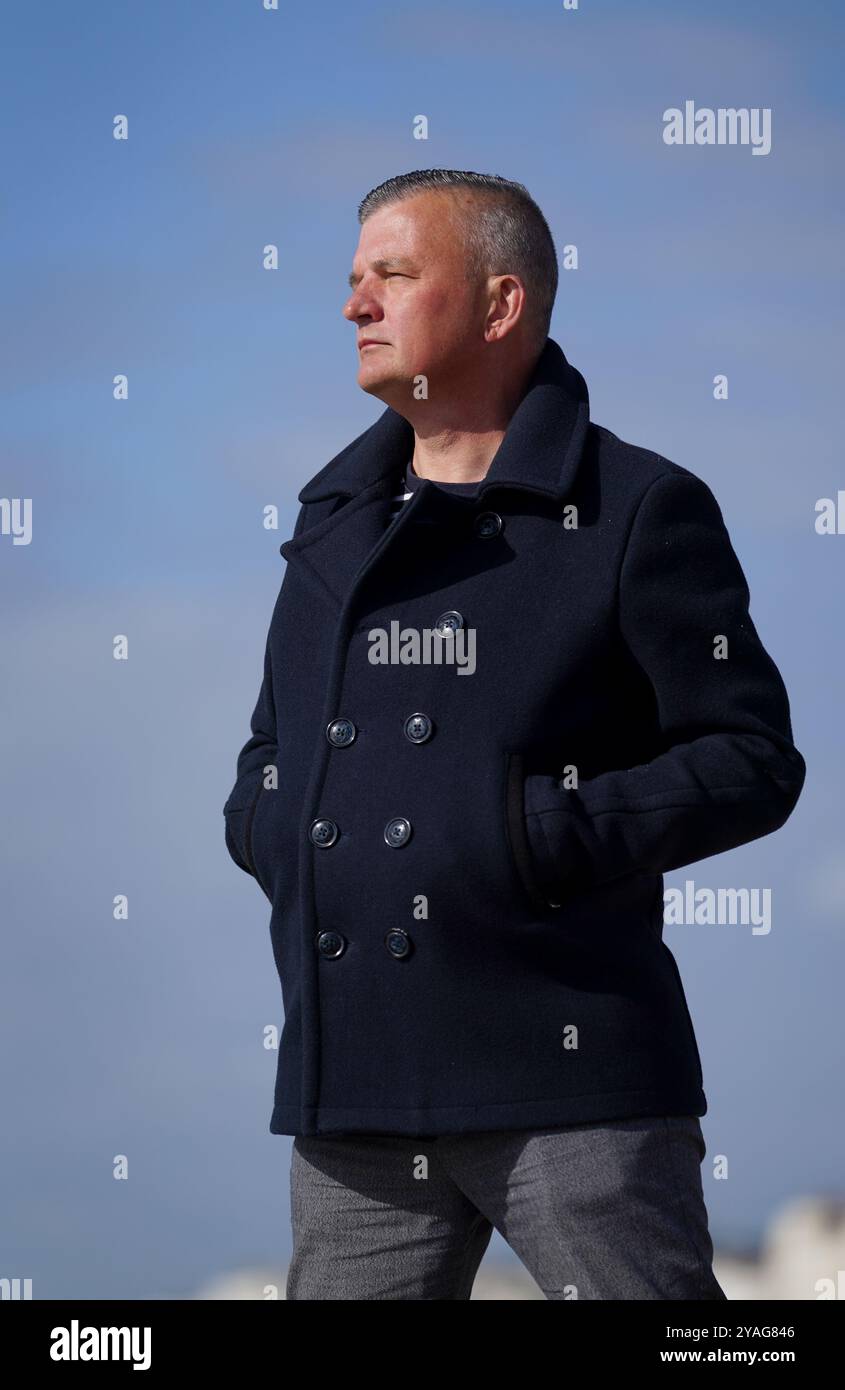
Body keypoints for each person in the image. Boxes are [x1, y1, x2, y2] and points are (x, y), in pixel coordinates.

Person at [222, 168, 806, 1299]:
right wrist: (273, 825)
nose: (354, 305)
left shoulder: (637, 508)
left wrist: (530, 835)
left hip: (570, 1077)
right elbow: (270, 753)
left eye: (390, 276)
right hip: (357, 1089)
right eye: (352, 280)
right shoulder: (328, 528)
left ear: (498, 307)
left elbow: (750, 757)